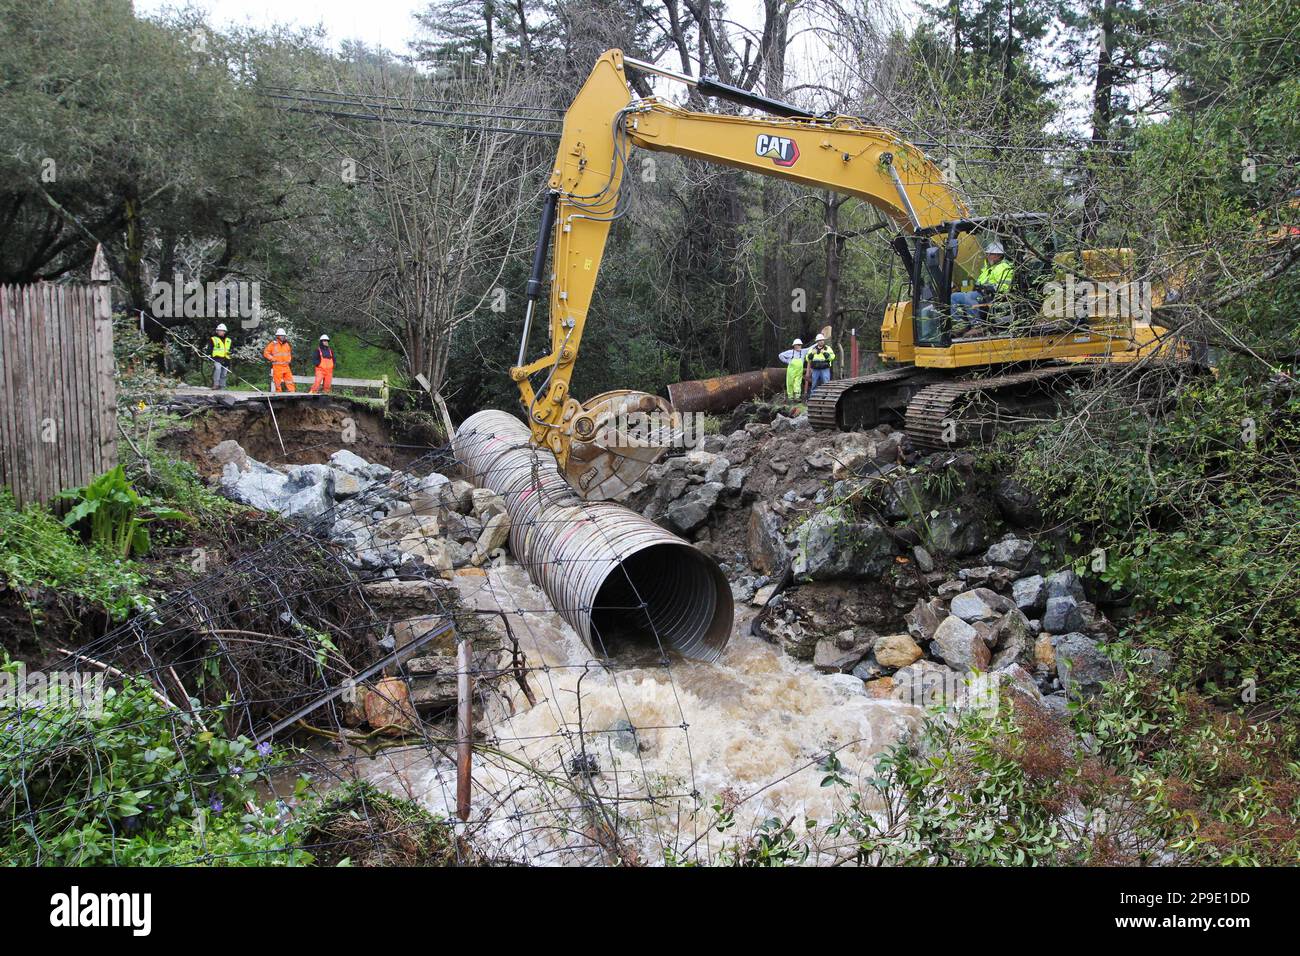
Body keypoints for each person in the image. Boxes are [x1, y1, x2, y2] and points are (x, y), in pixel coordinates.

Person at [950, 240, 1015, 330]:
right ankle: (960, 325)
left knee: (969, 298)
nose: (988, 256)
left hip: (992, 297)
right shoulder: (988, 267)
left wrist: (991, 288)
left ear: (999, 255)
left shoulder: (1004, 268)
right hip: (980, 294)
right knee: (954, 297)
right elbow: (980, 282)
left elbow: (1006, 287)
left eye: (990, 254)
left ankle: (977, 325)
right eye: (987, 253)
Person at [263, 328, 295, 393]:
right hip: (277, 366)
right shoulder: (273, 344)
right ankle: (279, 394)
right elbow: (266, 353)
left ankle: (292, 393)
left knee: (289, 381)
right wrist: (272, 358)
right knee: (278, 382)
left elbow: (289, 354)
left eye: (283, 335)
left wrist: (289, 359)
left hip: (286, 366)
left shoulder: (287, 344)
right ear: (277, 336)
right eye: (281, 335)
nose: (283, 337)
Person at [778, 338, 807, 402]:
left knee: (798, 383)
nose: (799, 346)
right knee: (790, 382)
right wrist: (787, 361)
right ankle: (790, 397)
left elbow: (811, 348)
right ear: (794, 346)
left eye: (800, 345)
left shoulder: (803, 351)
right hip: (791, 370)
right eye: (798, 345)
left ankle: (797, 397)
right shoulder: (790, 352)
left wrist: (818, 341)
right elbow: (780, 355)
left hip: (799, 371)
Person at [209, 323, 232, 390]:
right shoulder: (213, 339)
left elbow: (231, 349)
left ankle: (222, 387)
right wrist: (210, 356)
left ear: (224, 331)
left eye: (221, 330)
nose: (219, 331)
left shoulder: (229, 340)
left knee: (224, 373)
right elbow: (210, 348)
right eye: (218, 330)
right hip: (217, 358)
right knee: (218, 369)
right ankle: (216, 384)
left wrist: (232, 352)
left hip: (226, 358)